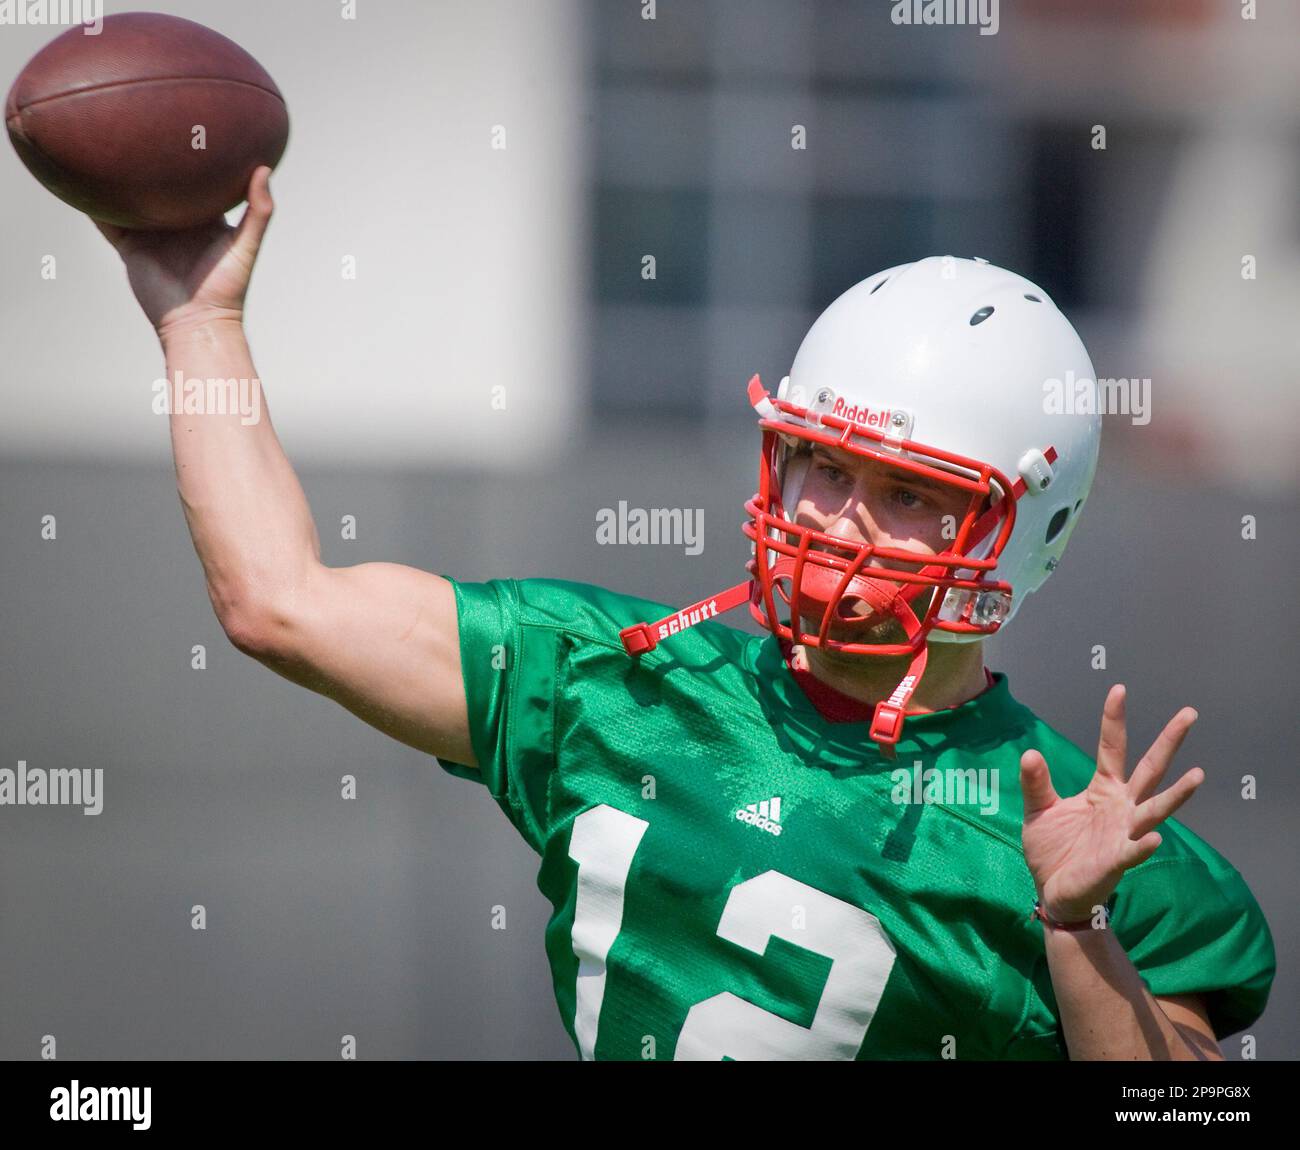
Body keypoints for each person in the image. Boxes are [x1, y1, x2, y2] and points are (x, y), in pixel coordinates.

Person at [96, 168, 1274, 1061]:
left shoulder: (1084, 842)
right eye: (823, 464)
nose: (843, 517)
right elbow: (278, 601)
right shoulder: (615, 681)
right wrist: (198, 322)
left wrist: (1076, 934)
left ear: (1026, 527)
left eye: (911, 493)